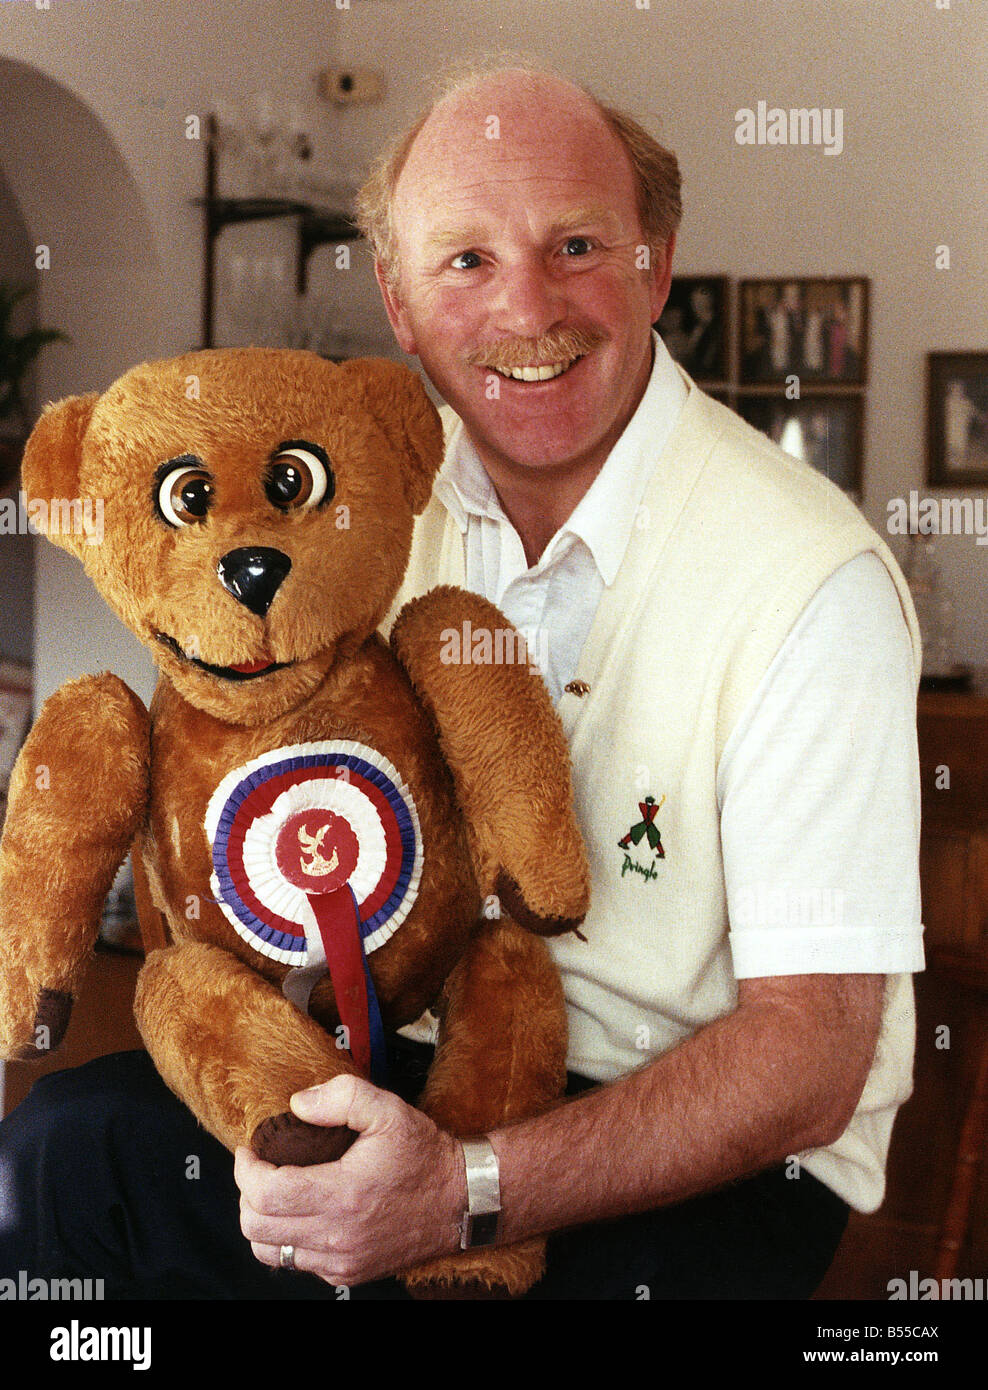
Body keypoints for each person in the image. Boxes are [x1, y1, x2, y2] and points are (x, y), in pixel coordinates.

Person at [0, 63, 923, 1302]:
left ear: (656, 261)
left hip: (701, 1154)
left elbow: (811, 1058)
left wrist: (462, 1186)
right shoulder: (366, 515)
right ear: (397, 300)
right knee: (65, 1151)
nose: (525, 308)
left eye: (576, 245)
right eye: (465, 262)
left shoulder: (812, 578)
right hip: (398, 1054)